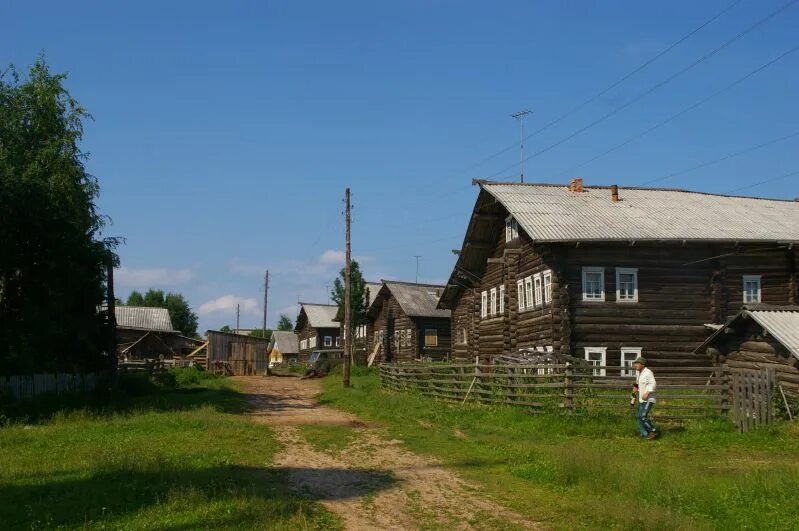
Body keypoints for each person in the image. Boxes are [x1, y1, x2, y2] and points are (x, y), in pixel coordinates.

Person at [633, 357, 658, 440]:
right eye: (635, 363)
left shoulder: (648, 372)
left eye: (637, 363)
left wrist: (647, 393)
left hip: (648, 399)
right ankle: (644, 435)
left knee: (642, 416)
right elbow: (638, 383)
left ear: (642, 364)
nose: (635, 365)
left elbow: (653, 384)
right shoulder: (638, 373)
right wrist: (635, 389)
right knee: (639, 417)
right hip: (641, 399)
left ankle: (653, 431)